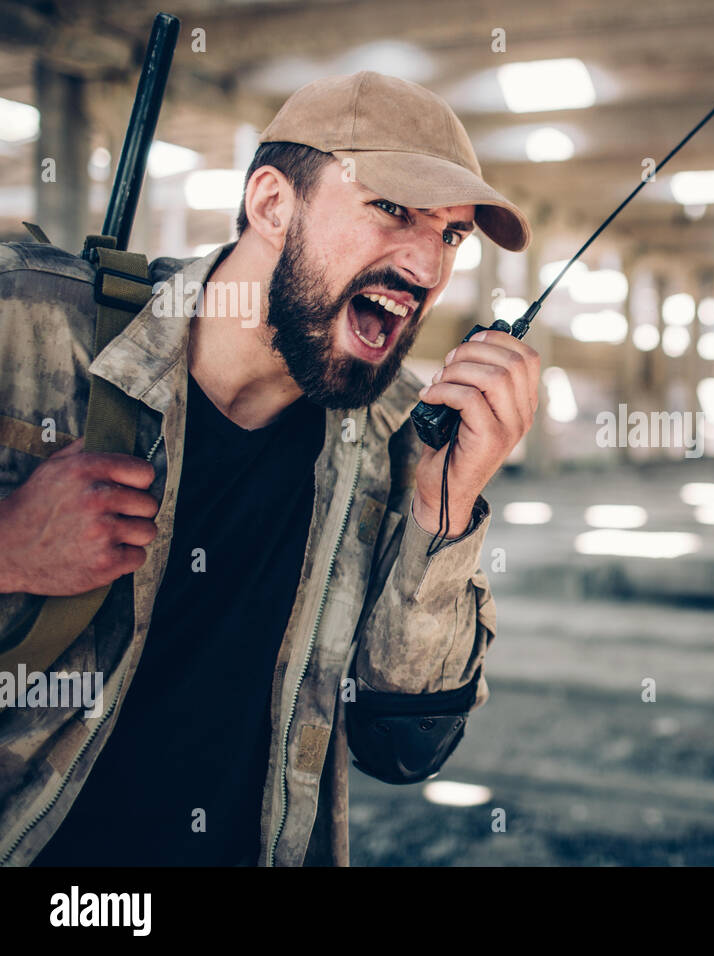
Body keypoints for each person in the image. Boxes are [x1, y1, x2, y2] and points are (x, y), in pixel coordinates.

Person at [0, 71, 539, 866]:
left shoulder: (403, 436)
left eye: (452, 234)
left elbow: (403, 746)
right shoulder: (28, 324)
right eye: (392, 209)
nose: (428, 263)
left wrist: (444, 508)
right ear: (271, 205)